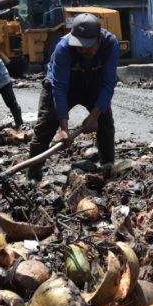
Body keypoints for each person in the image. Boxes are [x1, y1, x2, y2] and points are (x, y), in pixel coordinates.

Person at [27, 13, 120, 180]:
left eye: (88, 46)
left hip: (93, 82)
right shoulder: (63, 47)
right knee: (45, 126)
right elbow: (60, 88)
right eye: (80, 46)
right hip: (64, 85)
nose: (84, 50)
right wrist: (64, 128)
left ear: (99, 37)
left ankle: (108, 169)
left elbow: (108, 84)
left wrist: (94, 116)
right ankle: (33, 175)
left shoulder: (110, 44)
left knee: (105, 124)